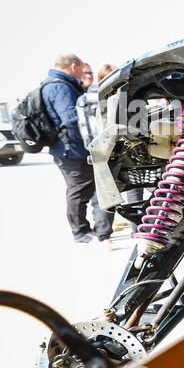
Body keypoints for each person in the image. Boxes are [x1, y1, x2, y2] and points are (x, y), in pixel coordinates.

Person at [41, 54, 112, 242]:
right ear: (73, 67)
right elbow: (72, 119)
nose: (82, 73)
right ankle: (79, 231)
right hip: (71, 150)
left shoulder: (56, 84)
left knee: (92, 188)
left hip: (71, 149)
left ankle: (100, 231)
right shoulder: (59, 86)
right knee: (78, 191)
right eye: (81, 68)